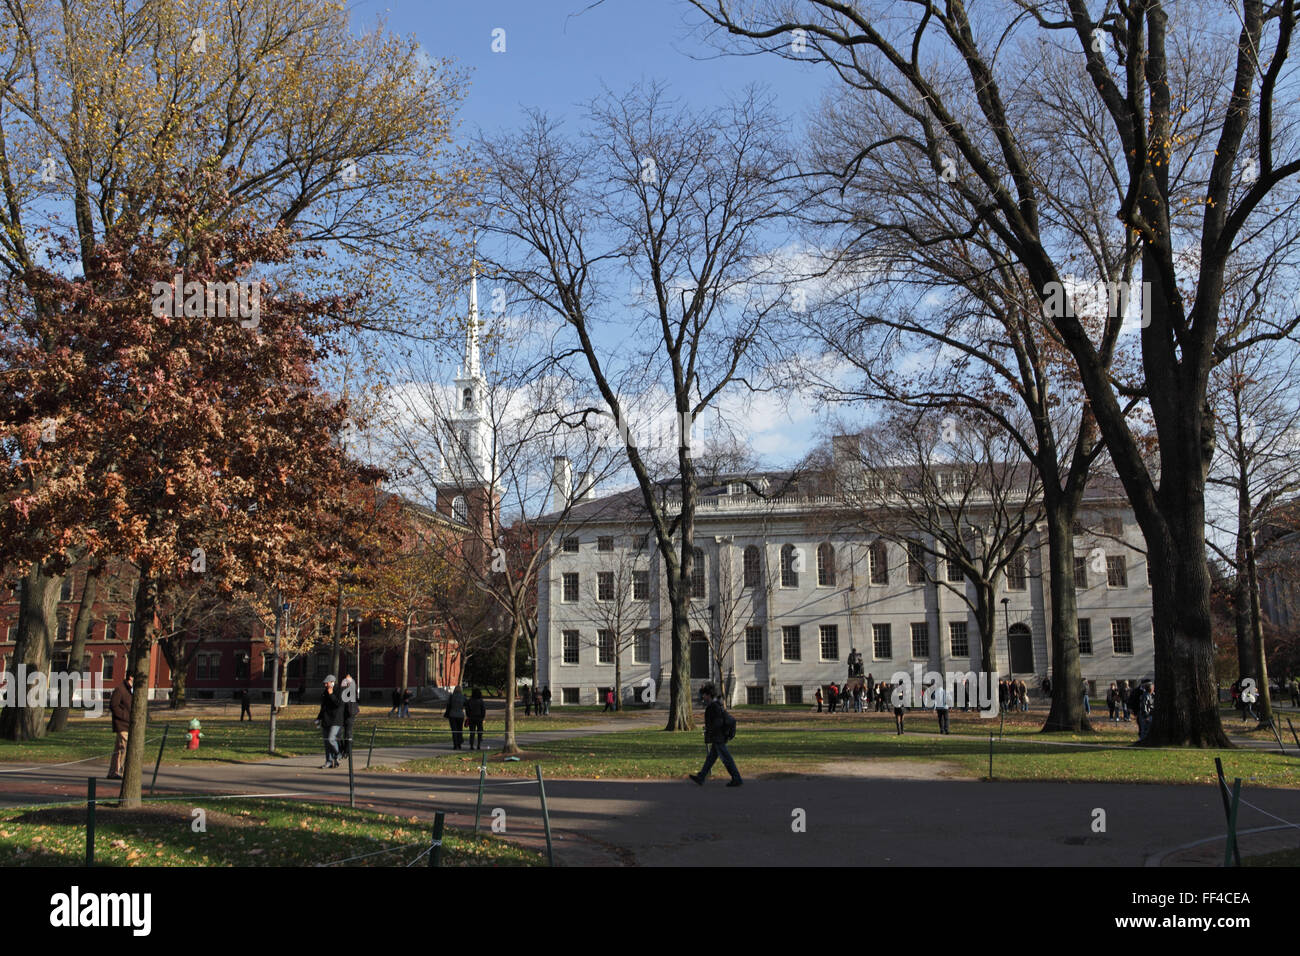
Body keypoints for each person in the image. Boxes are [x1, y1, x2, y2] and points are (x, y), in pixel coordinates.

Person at [689, 683, 742, 787]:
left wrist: (710, 730)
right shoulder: (715, 705)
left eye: (704, 694)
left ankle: (737, 778)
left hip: (718, 737)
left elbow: (718, 722)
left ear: (708, 695)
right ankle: (701, 777)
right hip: (718, 736)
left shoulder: (714, 706)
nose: (702, 697)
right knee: (711, 758)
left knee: (727, 759)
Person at [108, 674, 133, 780]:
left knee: (118, 749)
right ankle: (119, 771)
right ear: (131, 677)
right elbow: (113, 706)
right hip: (122, 724)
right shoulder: (120, 689)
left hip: (128, 724)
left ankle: (113, 772)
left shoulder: (130, 690)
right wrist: (124, 716)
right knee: (124, 747)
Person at [315, 676, 344, 769]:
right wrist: (318, 718)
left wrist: (331, 694)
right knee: (327, 742)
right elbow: (323, 707)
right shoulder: (325, 692)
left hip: (336, 720)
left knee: (331, 739)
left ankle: (338, 753)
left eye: (327, 683)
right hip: (326, 720)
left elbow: (338, 704)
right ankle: (329, 761)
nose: (325, 685)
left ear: (332, 682)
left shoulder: (339, 691)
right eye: (325, 683)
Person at [339, 674, 359, 759]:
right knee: (339, 734)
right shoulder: (343, 689)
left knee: (348, 733)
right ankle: (342, 750)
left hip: (350, 714)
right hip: (342, 714)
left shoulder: (352, 689)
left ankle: (347, 751)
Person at [444, 685, 466, 750]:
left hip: (452, 715)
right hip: (460, 715)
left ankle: (455, 744)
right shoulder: (463, 697)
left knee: (454, 731)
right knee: (459, 730)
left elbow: (448, 705)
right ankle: (459, 743)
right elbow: (466, 704)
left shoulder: (451, 697)